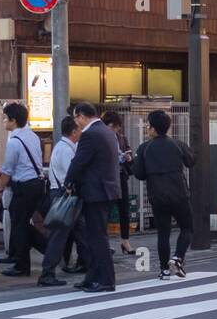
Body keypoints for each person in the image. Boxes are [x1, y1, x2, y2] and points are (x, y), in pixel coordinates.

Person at [63, 102, 120, 292]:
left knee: (97, 237)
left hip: (96, 191)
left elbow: (78, 162)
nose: (75, 122)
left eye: (75, 117)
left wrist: (68, 183)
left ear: (81, 116)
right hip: (107, 189)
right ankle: (92, 277)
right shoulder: (106, 131)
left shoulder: (90, 134)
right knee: (95, 236)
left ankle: (106, 280)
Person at [133, 110, 195, 279]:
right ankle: (177, 257)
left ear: (153, 128)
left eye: (148, 126)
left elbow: (139, 174)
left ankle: (164, 270)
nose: (147, 129)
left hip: (157, 195)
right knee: (187, 227)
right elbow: (191, 161)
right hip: (179, 193)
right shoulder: (177, 144)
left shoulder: (144, 148)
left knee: (163, 233)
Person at [0, 101, 48, 278]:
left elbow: (8, 170)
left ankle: (23, 265)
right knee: (22, 224)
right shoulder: (32, 136)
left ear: (14, 120)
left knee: (19, 225)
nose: (3, 121)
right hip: (36, 184)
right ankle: (48, 249)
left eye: (5, 118)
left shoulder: (14, 142)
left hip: (24, 187)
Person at [38, 115, 84, 286]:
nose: (81, 131)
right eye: (79, 128)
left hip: (61, 195)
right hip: (64, 196)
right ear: (74, 131)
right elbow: (71, 175)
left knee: (81, 231)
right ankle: (47, 272)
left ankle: (87, 263)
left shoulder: (63, 147)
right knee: (59, 235)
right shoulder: (65, 150)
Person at [101, 111, 138, 256]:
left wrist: (128, 156)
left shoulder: (121, 138)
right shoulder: (101, 137)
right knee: (107, 211)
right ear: (109, 125)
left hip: (121, 175)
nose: (117, 130)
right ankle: (105, 243)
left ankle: (125, 241)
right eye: (115, 127)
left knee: (124, 209)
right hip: (108, 177)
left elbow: (128, 150)